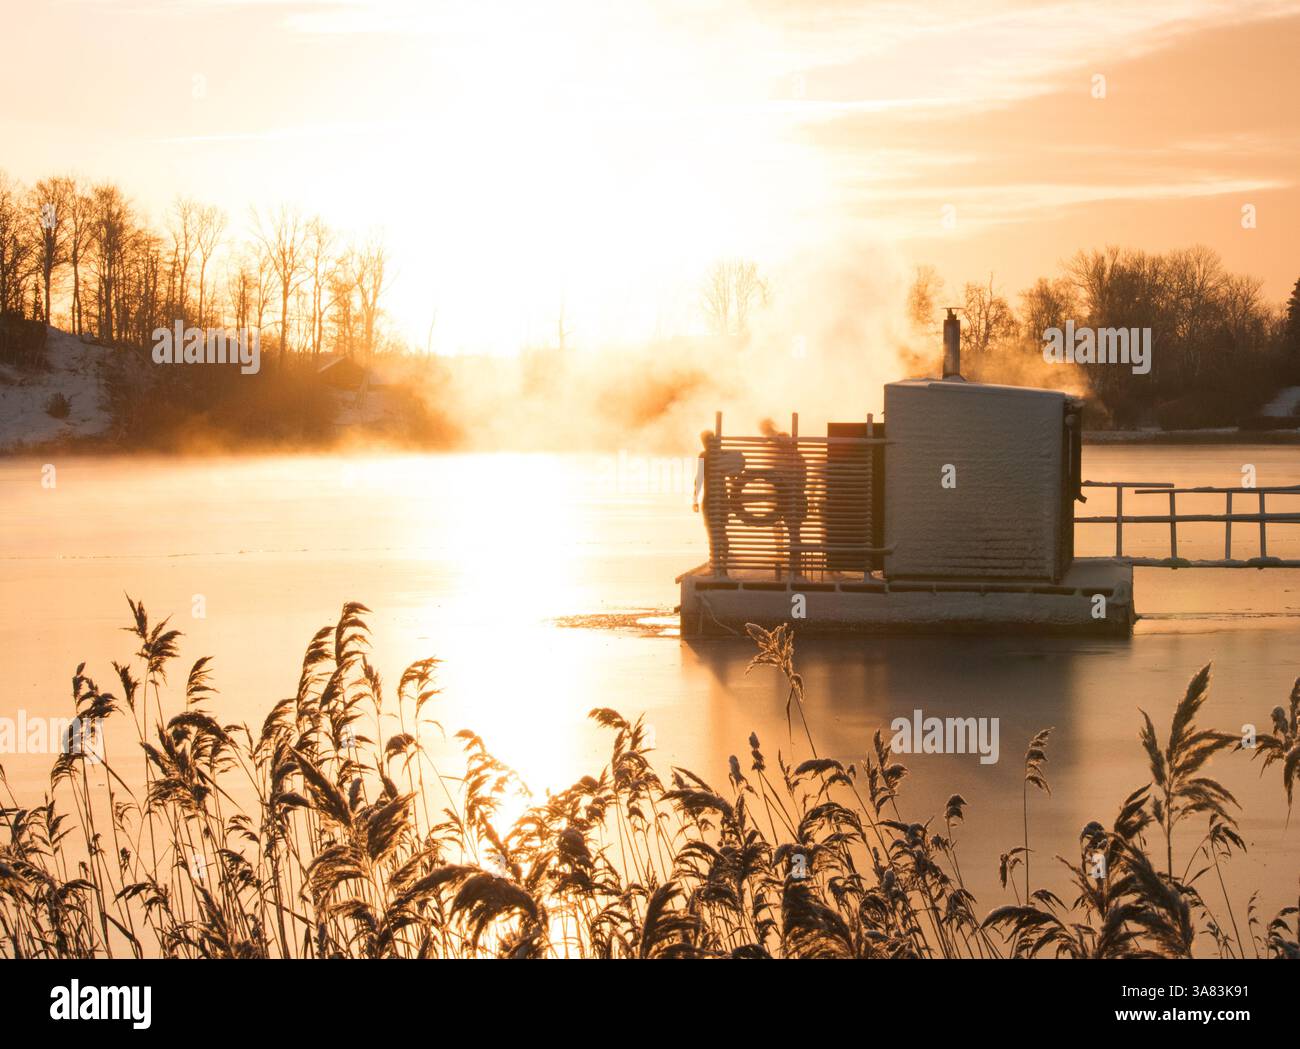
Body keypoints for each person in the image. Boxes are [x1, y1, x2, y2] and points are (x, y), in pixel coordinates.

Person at [760, 419, 808, 578]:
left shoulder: (780, 458)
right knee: (792, 534)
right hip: (790, 501)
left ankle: (782, 568)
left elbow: (771, 480)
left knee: (782, 535)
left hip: (782, 501)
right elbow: (803, 480)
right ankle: (795, 569)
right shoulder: (798, 457)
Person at [694, 431, 744, 576]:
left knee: (714, 534)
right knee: (720, 533)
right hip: (721, 498)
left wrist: (695, 499)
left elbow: (699, 478)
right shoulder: (722, 455)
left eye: (706, 440)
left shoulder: (705, 456)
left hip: (712, 499)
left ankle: (719, 566)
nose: (705, 443)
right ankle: (721, 566)